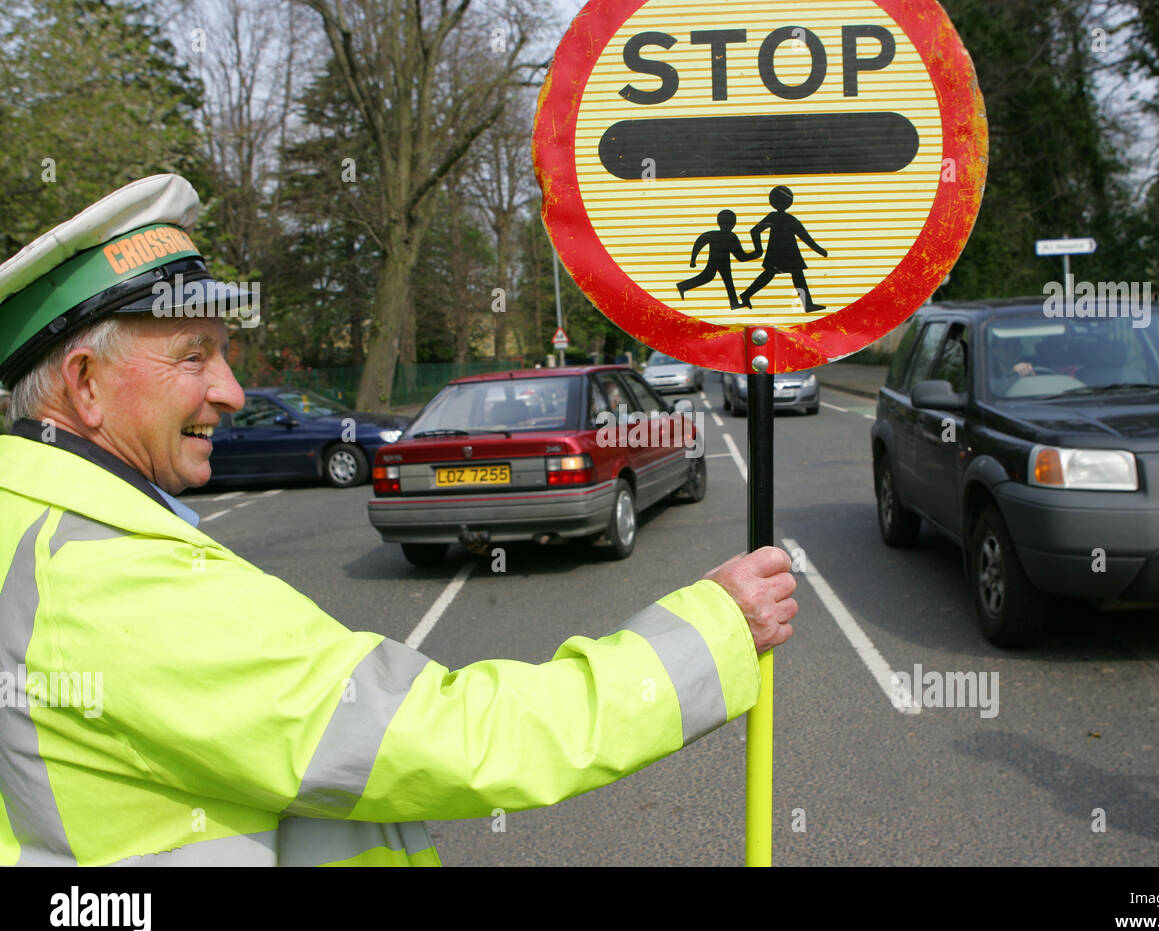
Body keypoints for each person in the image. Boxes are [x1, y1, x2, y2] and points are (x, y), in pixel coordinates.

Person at [0, 175, 797, 866]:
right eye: (192, 356)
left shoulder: (26, 523)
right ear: (86, 384)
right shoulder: (111, 580)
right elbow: (447, 738)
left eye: (224, 353)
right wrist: (711, 632)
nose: (233, 392)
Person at [738, 186, 829, 313]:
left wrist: (759, 249)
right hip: (784, 253)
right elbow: (755, 231)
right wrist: (820, 251)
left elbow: (804, 236)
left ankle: (746, 295)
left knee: (787, 274)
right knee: (778, 274)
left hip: (785, 253)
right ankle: (746, 295)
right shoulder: (784, 218)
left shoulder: (779, 218)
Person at [675, 209, 761, 310]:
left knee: (721, 280)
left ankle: (734, 303)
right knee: (712, 277)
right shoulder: (730, 236)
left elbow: (700, 241)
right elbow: (740, 256)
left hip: (722, 263)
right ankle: (682, 286)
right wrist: (756, 254)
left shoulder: (719, 235)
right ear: (734, 223)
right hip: (718, 262)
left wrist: (693, 259)